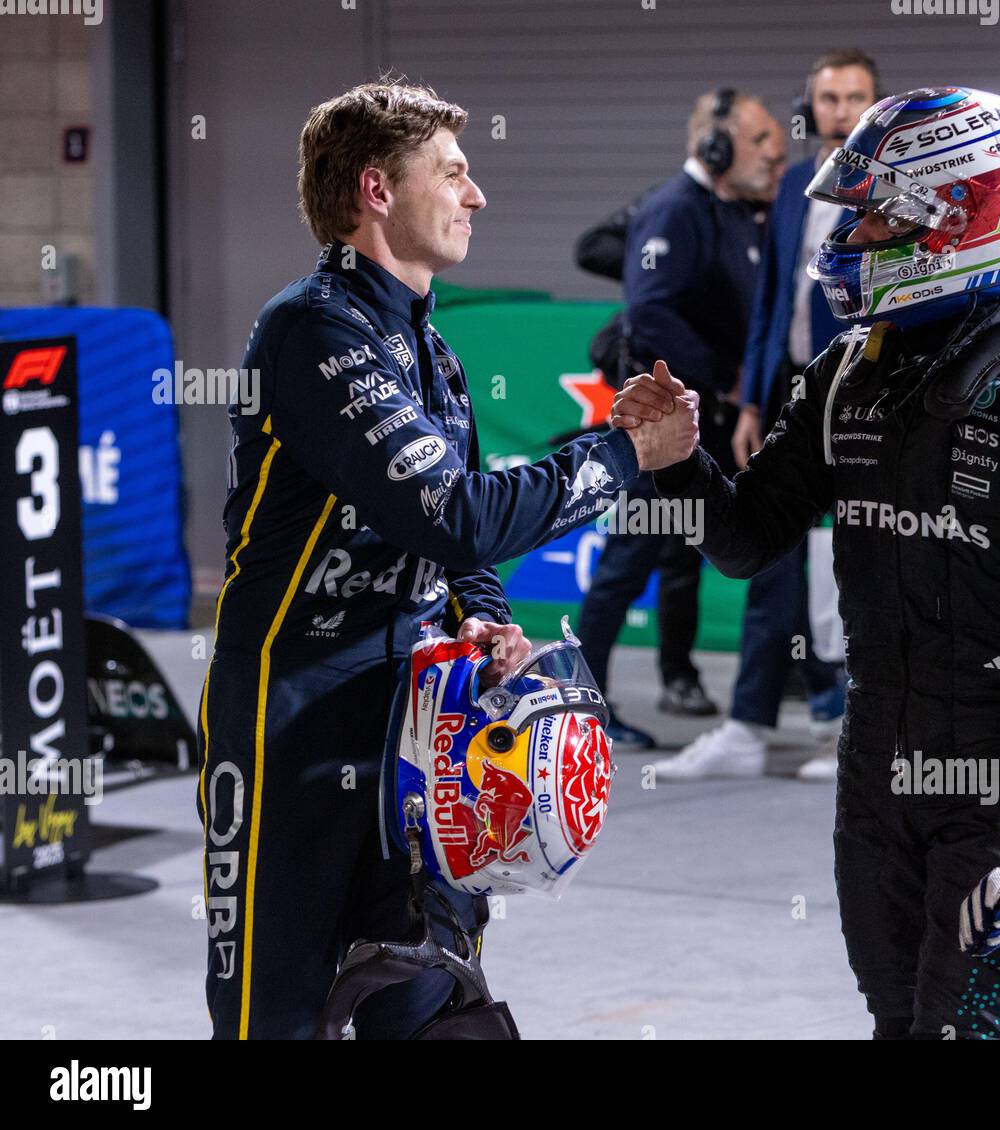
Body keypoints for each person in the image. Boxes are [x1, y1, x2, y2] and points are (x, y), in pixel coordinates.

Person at [614, 86, 1000, 1039]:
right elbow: (746, 541)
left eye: (880, 215)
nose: (855, 235)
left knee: (960, 1027)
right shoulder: (847, 372)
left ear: (967, 217)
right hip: (873, 754)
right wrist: (675, 460)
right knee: (893, 1017)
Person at [198, 80, 696, 1039]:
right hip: (290, 714)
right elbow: (459, 512)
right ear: (377, 190)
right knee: (275, 1014)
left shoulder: (435, 352)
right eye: (455, 174)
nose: (477, 198)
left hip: (417, 711)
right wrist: (624, 454)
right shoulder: (313, 330)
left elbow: (455, 550)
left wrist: (487, 618)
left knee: (430, 987)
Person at [651, 51, 879, 782]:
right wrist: (752, 399)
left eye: (856, 96)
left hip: (874, 396)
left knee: (853, 568)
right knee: (773, 560)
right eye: (829, 97)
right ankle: (749, 723)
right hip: (792, 395)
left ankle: (850, 728)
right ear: (809, 107)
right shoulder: (793, 191)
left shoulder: (894, 192)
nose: (841, 110)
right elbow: (770, 309)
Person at [576, 88, 785, 743]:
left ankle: (675, 675)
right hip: (659, 426)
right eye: (757, 142)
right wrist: (730, 378)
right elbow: (653, 313)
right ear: (715, 144)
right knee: (626, 563)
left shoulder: (731, 212)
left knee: (682, 556)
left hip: (699, 426)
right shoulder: (674, 209)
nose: (770, 155)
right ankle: (583, 706)